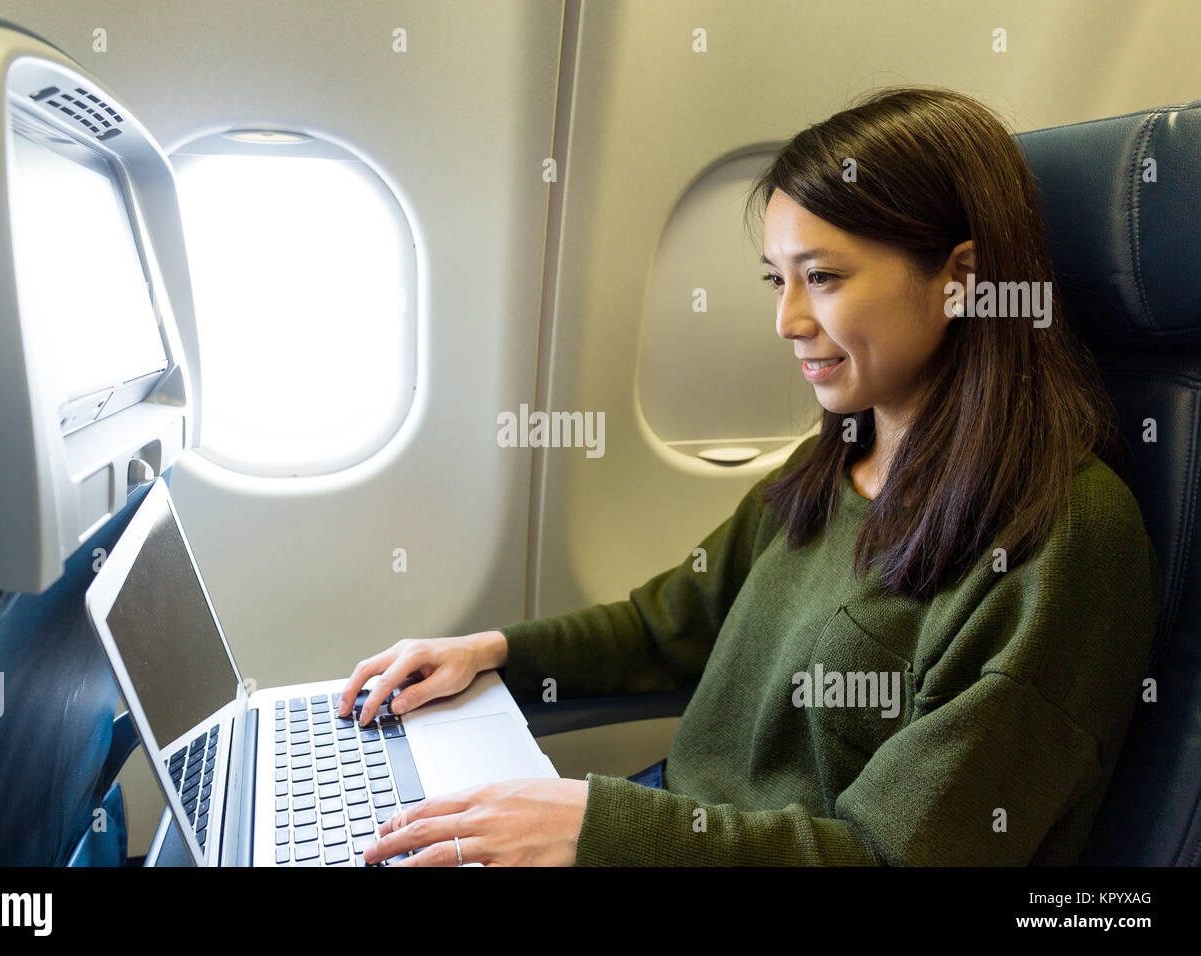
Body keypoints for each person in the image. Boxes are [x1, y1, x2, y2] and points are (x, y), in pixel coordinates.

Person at [340, 86, 1162, 866]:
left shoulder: (1064, 541)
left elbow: (891, 857)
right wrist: (491, 653)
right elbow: (666, 628)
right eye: (778, 278)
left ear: (962, 280)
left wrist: (602, 828)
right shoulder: (836, 457)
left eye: (824, 277)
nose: (787, 321)